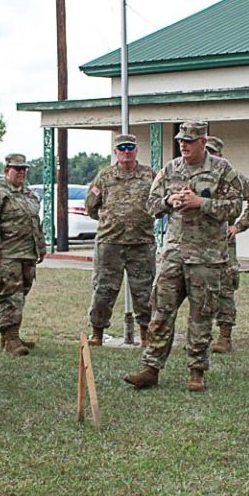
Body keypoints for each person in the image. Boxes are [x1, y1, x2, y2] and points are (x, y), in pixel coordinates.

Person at [122, 120, 242, 393]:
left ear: (203, 142)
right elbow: (150, 204)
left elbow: (236, 206)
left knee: (201, 315)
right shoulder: (170, 169)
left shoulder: (222, 170)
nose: (183, 145)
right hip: (174, 253)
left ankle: (196, 371)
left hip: (206, 256)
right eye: (180, 141)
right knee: (161, 311)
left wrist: (202, 203)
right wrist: (169, 201)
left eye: (189, 141)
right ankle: (150, 368)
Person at [83, 133, 156, 346]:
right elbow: (91, 206)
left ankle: (146, 334)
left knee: (144, 291)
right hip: (110, 243)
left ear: (136, 151)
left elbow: (160, 202)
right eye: (122, 148)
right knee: (104, 289)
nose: (126, 152)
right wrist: (111, 221)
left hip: (141, 243)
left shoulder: (149, 175)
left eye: (130, 147)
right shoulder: (105, 176)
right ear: (115, 152)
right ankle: (97, 333)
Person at [203, 135, 249, 354]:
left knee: (225, 288)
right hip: (196, 242)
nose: (209, 157)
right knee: (199, 289)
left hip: (223, 243)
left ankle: (224, 336)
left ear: (221, 155)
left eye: (213, 153)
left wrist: (238, 226)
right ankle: (201, 335)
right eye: (206, 152)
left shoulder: (233, 178)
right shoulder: (192, 176)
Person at [0, 154, 46, 355]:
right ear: (7, 170)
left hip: (27, 253)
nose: (22, 173)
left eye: (24, 169)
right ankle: (10, 339)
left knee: (21, 294)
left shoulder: (29, 194)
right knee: (10, 294)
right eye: (18, 169)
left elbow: (36, 223)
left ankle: (11, 334)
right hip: (6, 253)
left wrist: (40, 247)